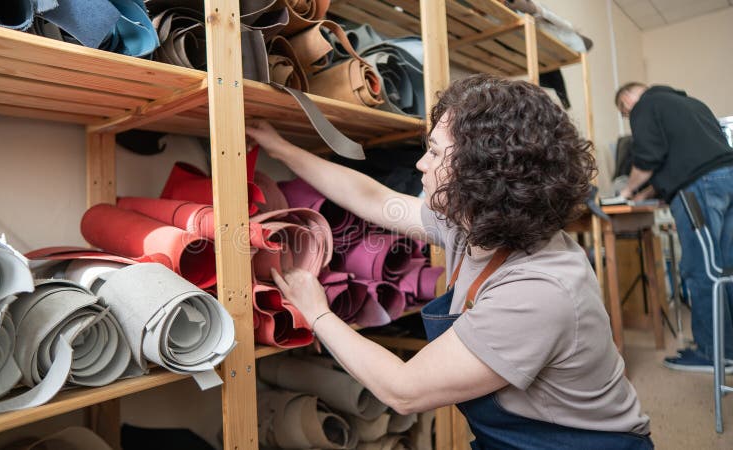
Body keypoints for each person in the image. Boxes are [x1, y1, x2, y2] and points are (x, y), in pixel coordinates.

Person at [247, 74, 652, 449]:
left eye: (435, 153)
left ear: (481, 173)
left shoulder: (539, 290)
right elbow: (372, 199)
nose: (420, 164)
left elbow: (403, 389)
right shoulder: (474, 223)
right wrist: (282, 149)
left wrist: (317, 312)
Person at [615, 82, 733, 372]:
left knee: (701, 268)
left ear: (628, 101)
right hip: (727, 179)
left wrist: (626, 193)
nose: (627, 117)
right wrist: (644, 193)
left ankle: (713, 353)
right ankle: (728, 346)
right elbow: (670, 159)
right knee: (726, 267)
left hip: (698, 188)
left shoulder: (645, 106)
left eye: (623, 111)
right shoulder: (693, 104)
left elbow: (647, 159)